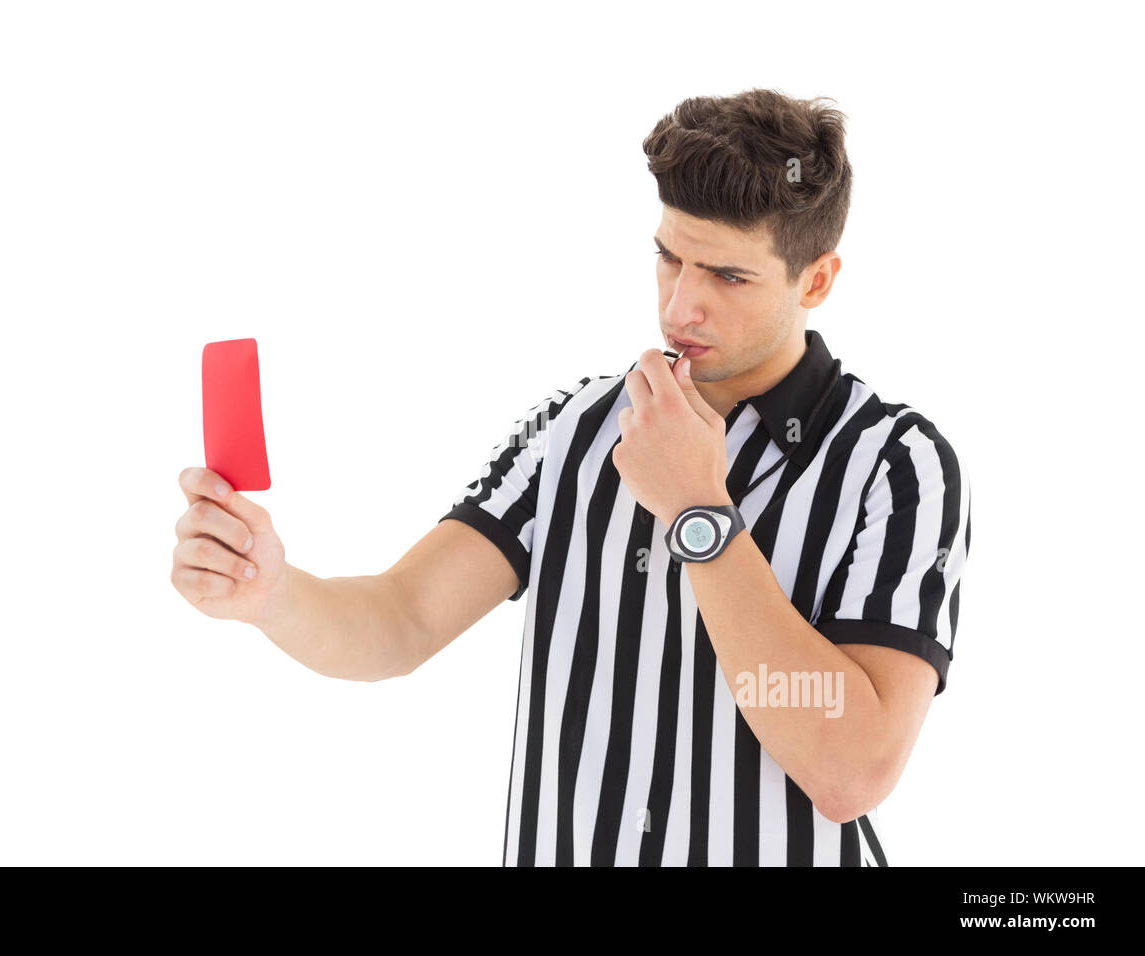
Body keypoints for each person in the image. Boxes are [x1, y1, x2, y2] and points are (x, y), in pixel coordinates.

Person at [170, 88, 972, 866]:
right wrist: (272, 593)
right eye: (669, 257)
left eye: (727, 276)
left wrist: (700, 511)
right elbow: (403, 620)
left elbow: (852, 771)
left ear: (817, 281)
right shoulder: (573, 428)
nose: (680, 307)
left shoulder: (896, 465)